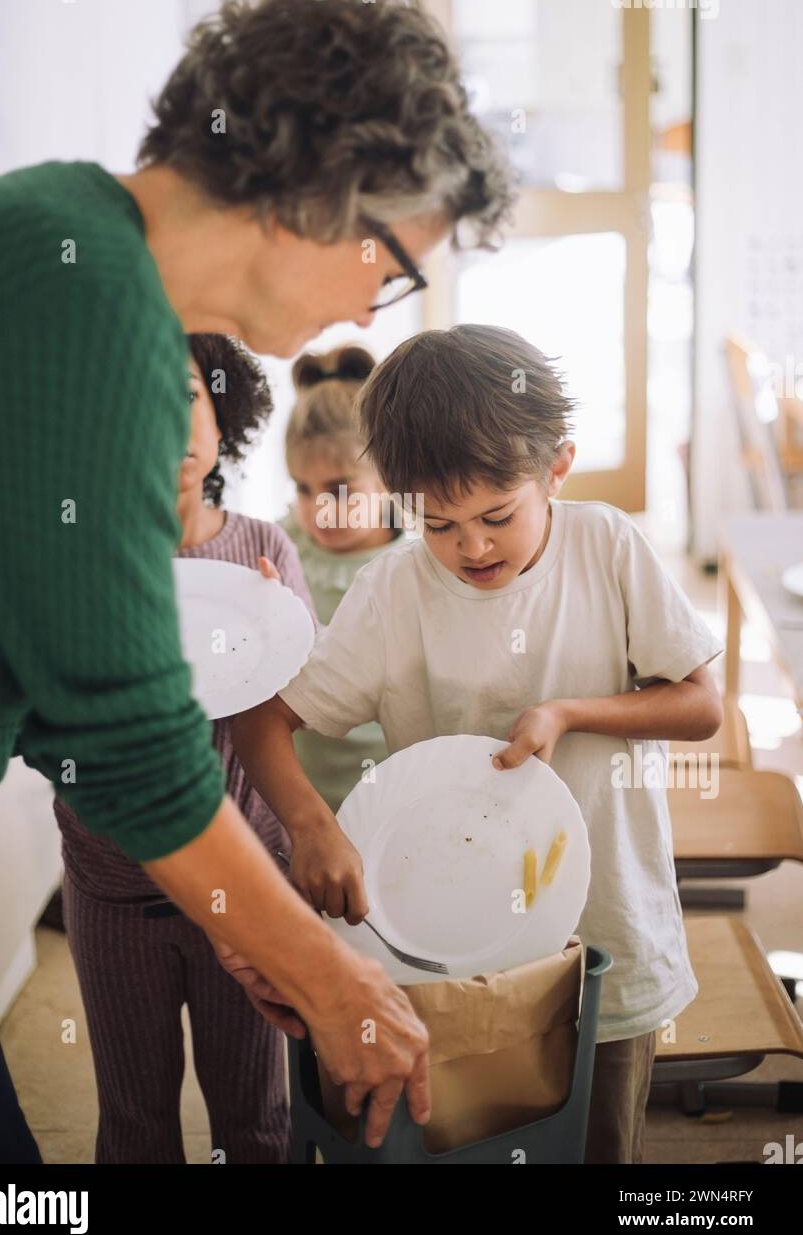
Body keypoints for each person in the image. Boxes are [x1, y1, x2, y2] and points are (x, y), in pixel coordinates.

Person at [0, 0, 515, 1159]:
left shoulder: (75, 248)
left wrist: (238, 926)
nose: (375, 298)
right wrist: (328, 976)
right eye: (393, 264)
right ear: (322, 194)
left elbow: (77, 722)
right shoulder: (91, 306)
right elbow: (135, 736)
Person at [231, 323, 724, 1161]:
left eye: (497, 516)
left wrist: (570, 712)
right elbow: (263, 720)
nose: (472, 547)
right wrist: (312, 827)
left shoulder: (605, 545)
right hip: (448, 944)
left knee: (599, 1140)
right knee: (458, 1141)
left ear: (555, 467)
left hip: (610, 929)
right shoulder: (394, 589)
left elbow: (702, 704)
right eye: (437, 525)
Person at [53, 332, 314, 1163]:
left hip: (245, 881)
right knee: (134, 1120)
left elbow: (300, 708)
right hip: (113, 888)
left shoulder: (264, 550)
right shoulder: (78, 560)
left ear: (222, 408)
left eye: (187, 396)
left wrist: (277, 641)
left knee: (256, 1120)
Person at [280, 344, 409, 812]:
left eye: (340, 489)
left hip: (393, 789)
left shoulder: (418, 562)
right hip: (298, 795)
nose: (319, 508)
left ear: (390, 477)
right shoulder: (279, 546)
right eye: (302, 488)